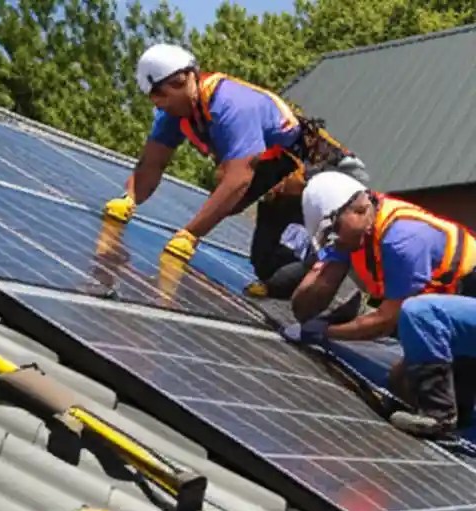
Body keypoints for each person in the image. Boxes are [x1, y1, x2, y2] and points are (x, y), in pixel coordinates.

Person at [102, 43, 368, 299]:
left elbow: (239, 179)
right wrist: (129, 198)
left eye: (165, 97)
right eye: (156, 100)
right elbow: (152, 164)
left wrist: (190, 235)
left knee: (323, 250)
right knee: (271, 271)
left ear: (185, 80)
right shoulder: (174, 113)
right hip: (281, 175)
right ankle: (313, 275)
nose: (161, 106)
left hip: (330, 177)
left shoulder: (231, 105)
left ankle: (341, 282)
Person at [283, 171, 476, 346]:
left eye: (332, 234)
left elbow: (384, 322)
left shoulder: (401, 242)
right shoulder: (353, 225)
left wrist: (326, 332)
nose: (335, 243)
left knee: (410, 378)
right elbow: (324, 278)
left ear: (359, 211)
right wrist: (305, 314)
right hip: (435, 299)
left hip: (468, 293)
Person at [385, 294, 476, 438]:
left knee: (420, 313)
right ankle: (460, 410)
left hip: (427, 315)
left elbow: (380, 322)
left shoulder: (418, 314)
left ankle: (439, 416)